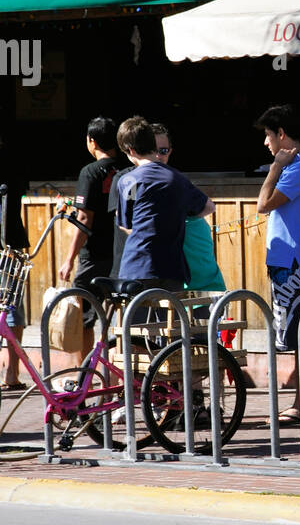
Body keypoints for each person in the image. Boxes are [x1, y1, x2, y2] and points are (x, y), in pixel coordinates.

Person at [255, 104, 300, 424]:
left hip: (297, 262)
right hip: (290, 260)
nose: (266, 143)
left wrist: (274, 168)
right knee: (298, 333)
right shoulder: (298, 166)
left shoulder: (299, 168)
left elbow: (263, 205)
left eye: (269, 136)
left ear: (282, 134)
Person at [115, 116, 213, 289]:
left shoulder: (128, 181)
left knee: (137, 315)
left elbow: (125, 223)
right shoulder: (178, 178)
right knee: (171, 316)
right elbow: (208, 206)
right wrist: (177, 219)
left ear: (130, 151)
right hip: (172, 267)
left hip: (137, 264)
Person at [60, 117, 127, 355]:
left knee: (84, 318)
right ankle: (116, 375)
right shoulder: (127, 169)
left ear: (92, 142)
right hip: (122, 254)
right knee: (120, 316)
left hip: (94, 256)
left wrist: (69, 258)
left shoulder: (89, 172)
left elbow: (85, 218)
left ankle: (84, 375)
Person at [150, 123, 226, 293]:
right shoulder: (132, 180)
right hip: (165, 275)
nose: (158, 156)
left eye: (163, 151)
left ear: (170, 151)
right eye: (152, 150)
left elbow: (209, 206)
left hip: (198, 278)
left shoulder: (175, 181)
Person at [0, 130, 29, 389]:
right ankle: (12, 372)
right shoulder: (13, 161)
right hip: (15, 242)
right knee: (11, 308)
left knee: (10, 309)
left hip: (10, 244)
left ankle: (12, 373)